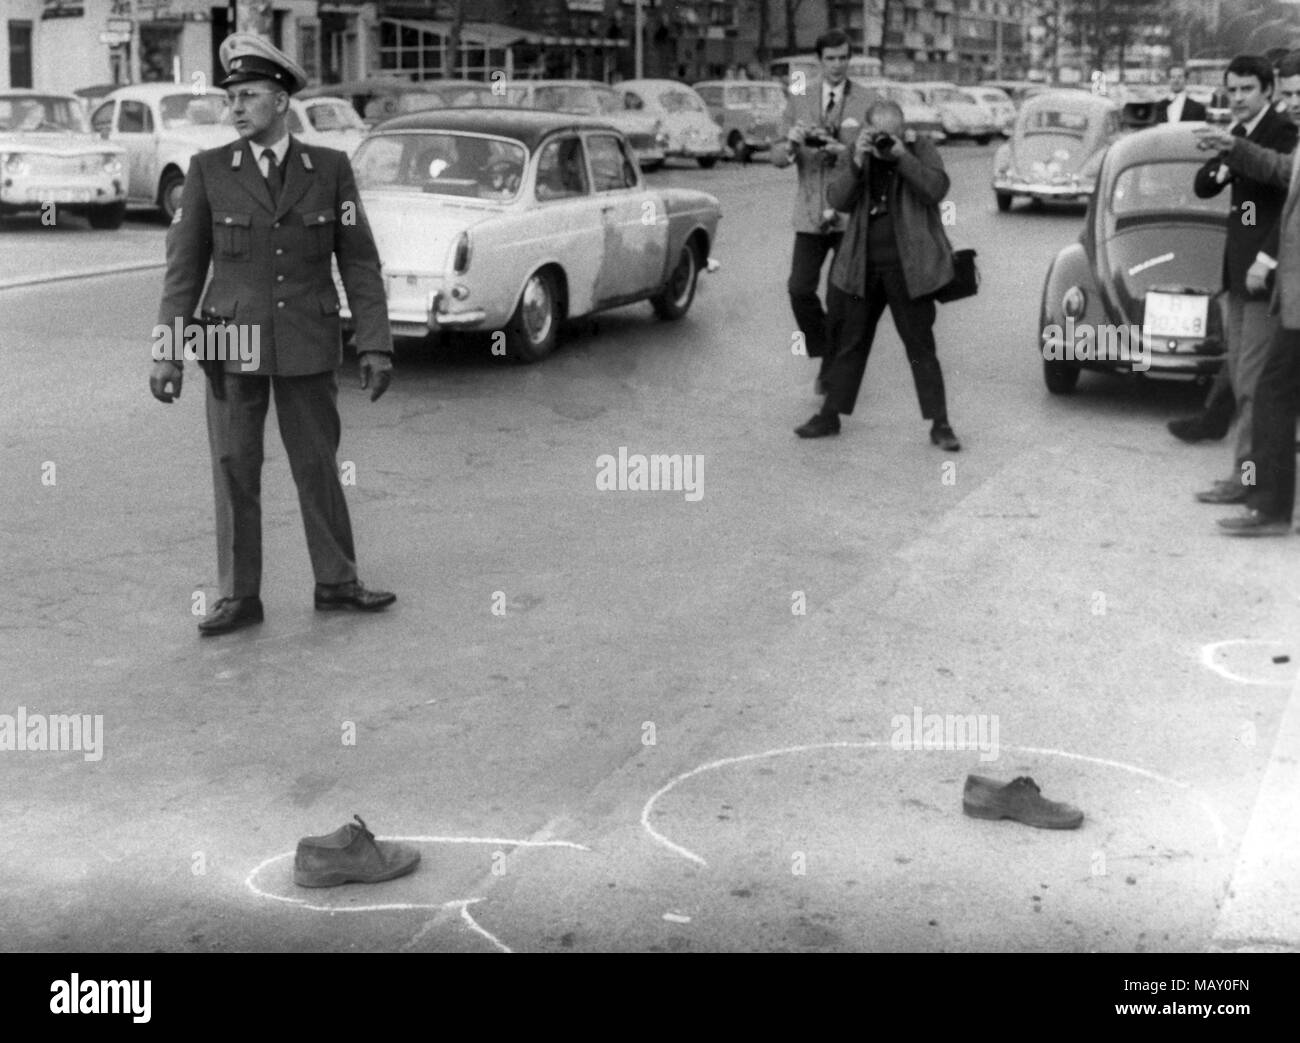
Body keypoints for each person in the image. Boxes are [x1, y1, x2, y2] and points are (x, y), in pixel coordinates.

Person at [149, 33, 396, 636]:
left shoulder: (330, 170)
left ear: (282, 101)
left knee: (317, 462)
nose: (236, 107)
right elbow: (184, 270)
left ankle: (337, 582)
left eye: (250, 95)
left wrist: (375, 342)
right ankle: (239, 597)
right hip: (228, 341)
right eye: (231, 96)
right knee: (234, 465)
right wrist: (168, 355)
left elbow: (359, 261)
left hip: (307, 335)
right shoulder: (208, 172)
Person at [794, 100, 960, 451]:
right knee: (849, 342)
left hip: (909, 266)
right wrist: (856, 162)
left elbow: (936, 189)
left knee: (920, 345)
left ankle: (940, 423)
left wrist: (903, 157)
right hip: (863, 263)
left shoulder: (919, 148)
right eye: (878, 134)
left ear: (903, 130)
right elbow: (837, 199)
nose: (886, 140)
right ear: (867, 130)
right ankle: (830, 415)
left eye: (893, 134)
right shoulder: (857, 151)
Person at [1188, 55, 1297, 507]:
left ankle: (1247, 479)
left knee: (1252, 383)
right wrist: (1225, 162)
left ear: (1268, 91)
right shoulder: (1239, 134)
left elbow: (1280, 202)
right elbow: (1204, 184)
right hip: (1237, 273)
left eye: (1246, 89)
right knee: (1240, 375)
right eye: (1231, 90)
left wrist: (1234, 155)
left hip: (1262, 278)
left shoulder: (1283, 135)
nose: (1237, 98)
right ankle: (1243, 474)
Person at [771, 29, 873, 392]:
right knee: (799, 289)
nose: (837, 65)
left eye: (843, 57)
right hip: (810, 215)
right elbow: (777, 158)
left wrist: (843, 153)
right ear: (819, 60)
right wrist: (793, 143)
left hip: (849, 215)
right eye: (830, 58)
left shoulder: (866, 99)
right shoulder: (800, 96)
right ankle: (827, 349)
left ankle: (830, 372)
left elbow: (877, 157)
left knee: (839, 298)